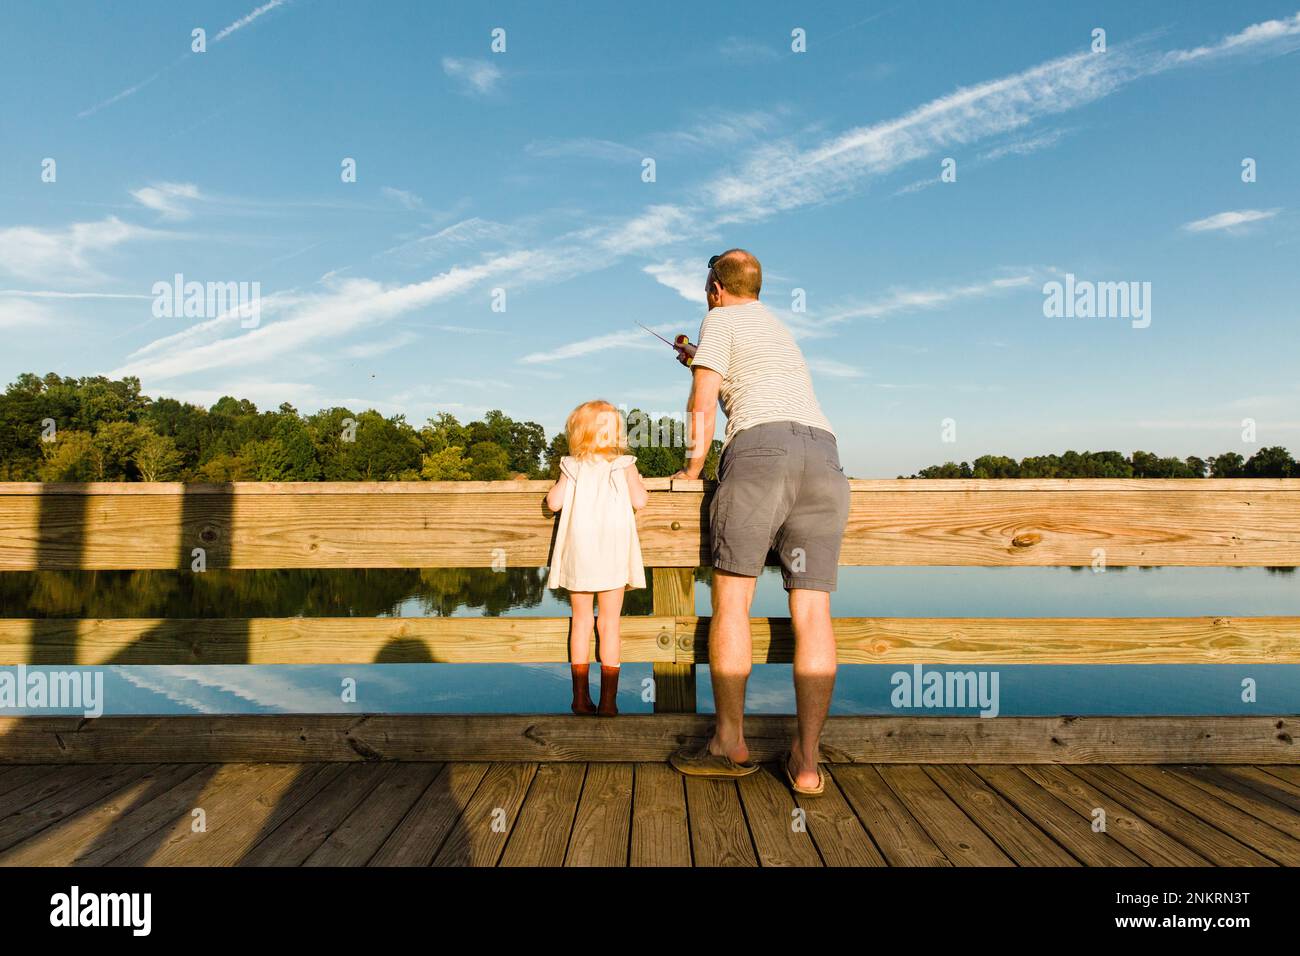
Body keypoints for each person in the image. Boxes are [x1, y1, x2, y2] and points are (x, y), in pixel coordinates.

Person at [667, 249, 849, 795]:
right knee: (813, 612)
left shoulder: (718, 318)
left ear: (714, 288)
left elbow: (703, 404)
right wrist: (703, 358)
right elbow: (758, 381)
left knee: (732, 603)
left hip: (759, 454)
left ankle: (729, 742)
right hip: (824, 456)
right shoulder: (776, 327)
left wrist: (692, 467)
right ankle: (808, 762)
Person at [545, 400, 649, 716]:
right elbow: (640, 500)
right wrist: (641, 482)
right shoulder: (624, 464)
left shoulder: (572, 466)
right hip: (613, 554)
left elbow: (553, 503)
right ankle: (608, 702)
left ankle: (579, 698)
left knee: (581, 622)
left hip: (580, 555)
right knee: (609, 624)